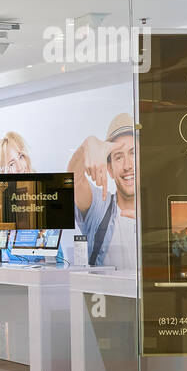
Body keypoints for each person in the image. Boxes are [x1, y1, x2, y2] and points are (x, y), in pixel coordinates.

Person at [70, 112, 138, 269]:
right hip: (102, 295)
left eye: (133, 153)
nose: (128, 165)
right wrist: (86, 146)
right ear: (110, 169)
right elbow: (72, 181)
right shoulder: (100, 208)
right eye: (119, 157)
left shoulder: (158, 212)